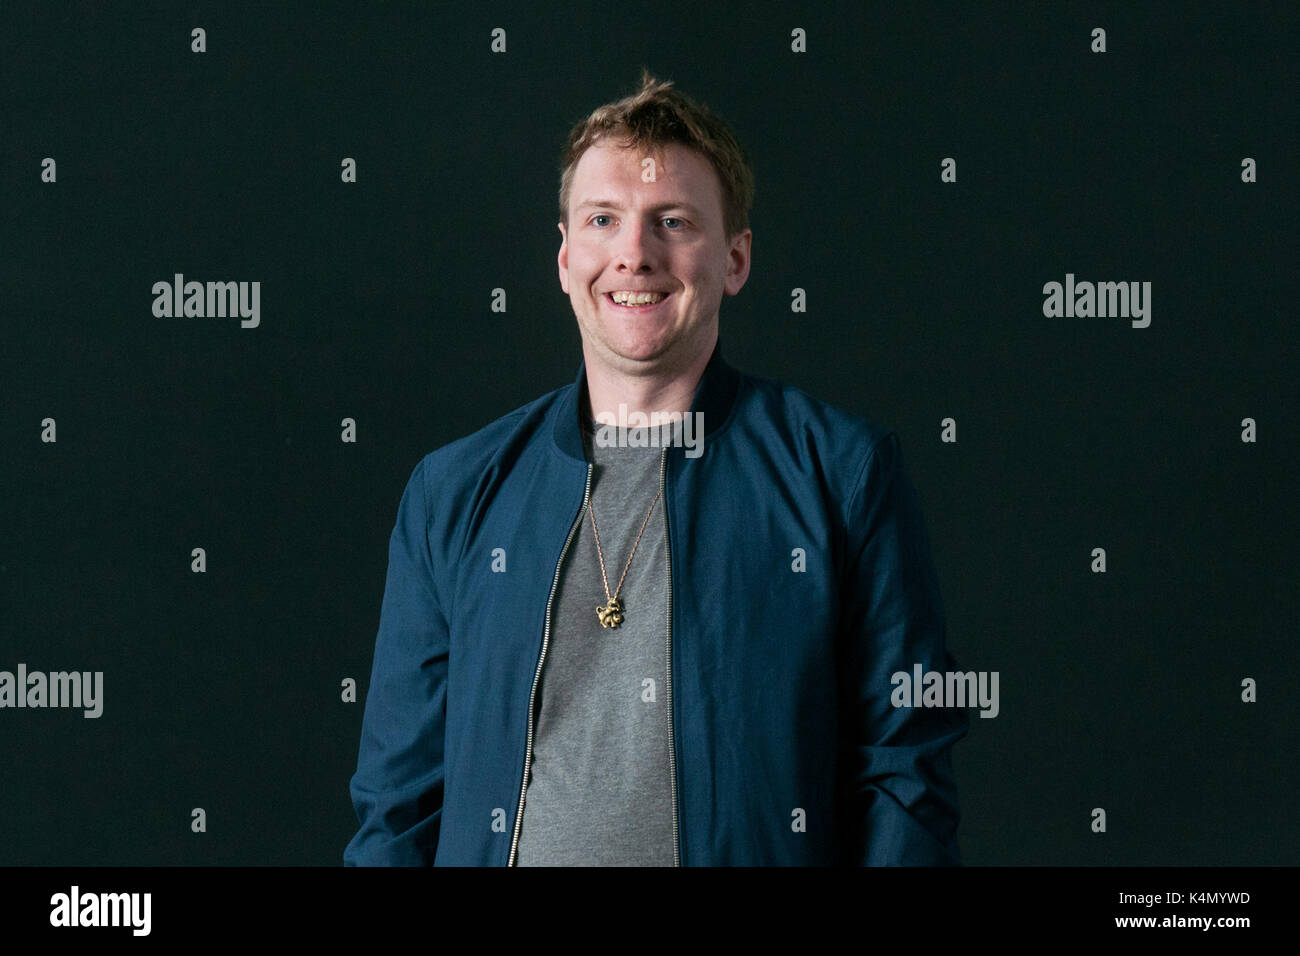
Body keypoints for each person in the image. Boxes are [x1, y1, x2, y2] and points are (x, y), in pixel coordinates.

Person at [344, 68, 968, 866]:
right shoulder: (454, 492)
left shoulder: (843, 473)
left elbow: (905, 771)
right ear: (566, 258)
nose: (633, 254)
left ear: (736, 260)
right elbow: (398, 806)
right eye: (603, 220)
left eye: (671, 221)